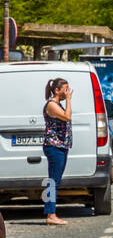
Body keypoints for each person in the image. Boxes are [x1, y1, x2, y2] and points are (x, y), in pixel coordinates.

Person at [42, 77, 73, 225]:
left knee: (55, 180)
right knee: (52, 181)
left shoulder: (58, 104)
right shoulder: (52, 105)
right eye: (65, 89)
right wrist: (68, 100)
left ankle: (51, 213)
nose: (67, 91)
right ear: (57, 90)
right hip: (54, 146)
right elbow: (67, 117)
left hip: (61, 145)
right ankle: (50, 214)